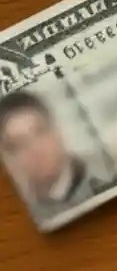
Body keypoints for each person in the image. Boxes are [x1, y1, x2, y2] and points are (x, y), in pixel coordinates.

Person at [0, 90, 102, 218]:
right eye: (20, 144)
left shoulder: (104, 185)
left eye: (40, 132)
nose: (35, 149)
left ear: (56, 131)